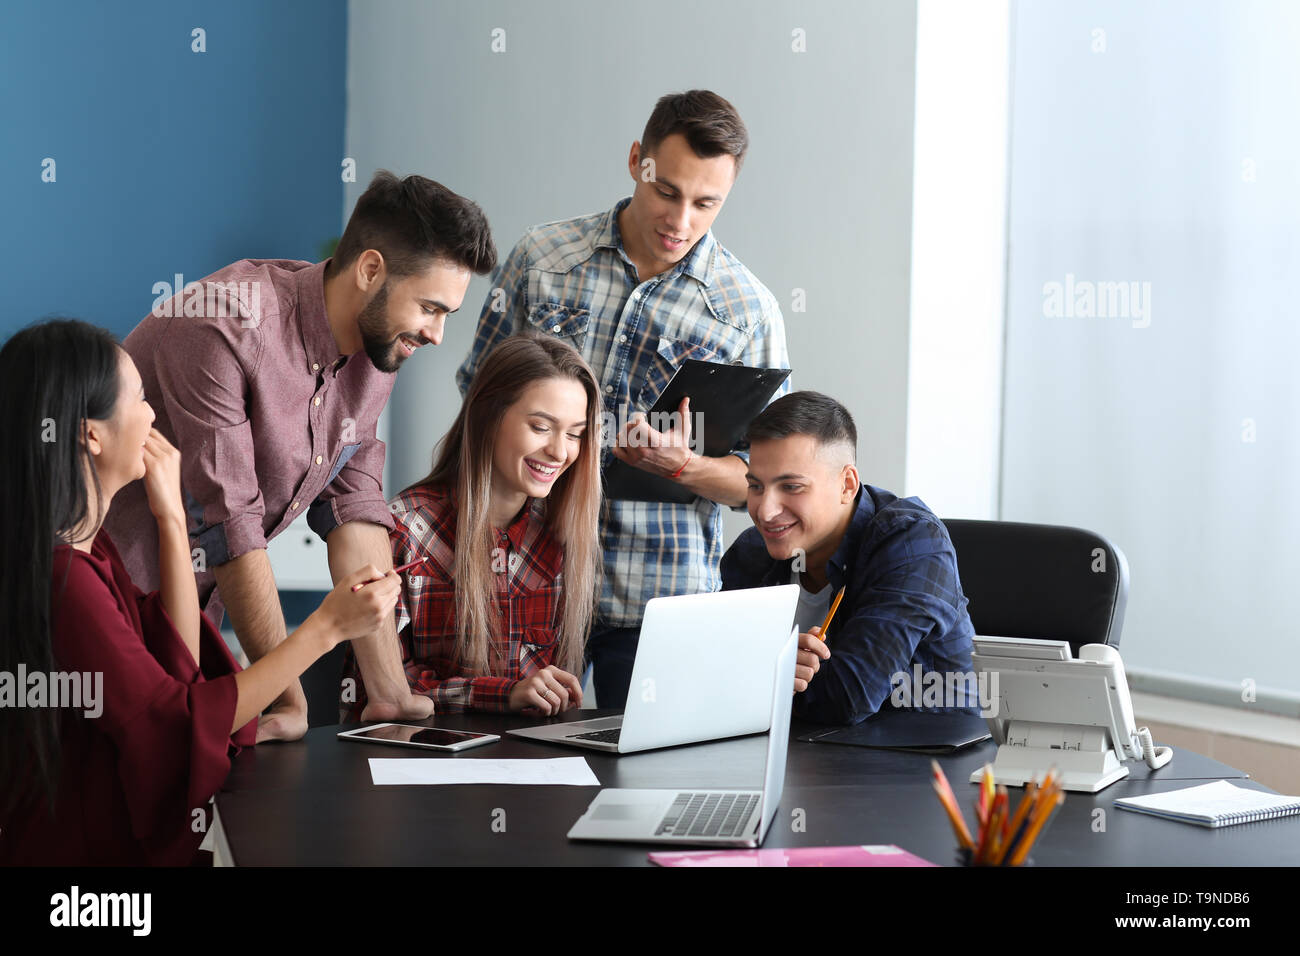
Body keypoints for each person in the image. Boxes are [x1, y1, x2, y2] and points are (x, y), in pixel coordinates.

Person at [103, 171, 497, 741]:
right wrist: (285, 699)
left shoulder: (375, 348)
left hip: (188, 620)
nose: (437, 334)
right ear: (370, 270)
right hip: (97, 606)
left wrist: (389, 693)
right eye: (430, 308)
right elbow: (232, 525)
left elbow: (354, 507)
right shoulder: (225, 323)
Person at [0, 320, 400, 865]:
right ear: (90, 434)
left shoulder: (89, 554)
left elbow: (176, 661)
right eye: (140, 398)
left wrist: (170, 516)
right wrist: (327, 628)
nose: (151, 416)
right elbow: (174, 721)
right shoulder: (63, 580)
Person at [457, 90, 790, 708]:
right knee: (504, 779)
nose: (680, 221)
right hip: (524, 580)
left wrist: (684, 466)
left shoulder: (749, 314)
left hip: (657, 602)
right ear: (638, 160)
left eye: (706, 203)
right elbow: (478, 397)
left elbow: (765, 484)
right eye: (667, 191)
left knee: (641, 792)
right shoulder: (542, 261)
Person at [342, 334, 602, 718]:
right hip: (421, 760)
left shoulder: (562, 535)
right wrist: (502, 694)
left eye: (575, 434)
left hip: (534, 762)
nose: (561, 452)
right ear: (488, 416)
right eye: (540, 426)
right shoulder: (405, 530)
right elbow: (375, 691)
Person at [720, 391, 976, 725]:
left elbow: (850, 697)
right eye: (756, 487)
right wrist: (763, 674)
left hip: (925, 761)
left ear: (847, 485)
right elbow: (714, 680)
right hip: (802, 758)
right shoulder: (751, 552)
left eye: (792, 487)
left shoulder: (913, 541)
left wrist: (766, 674)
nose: (766, 511)